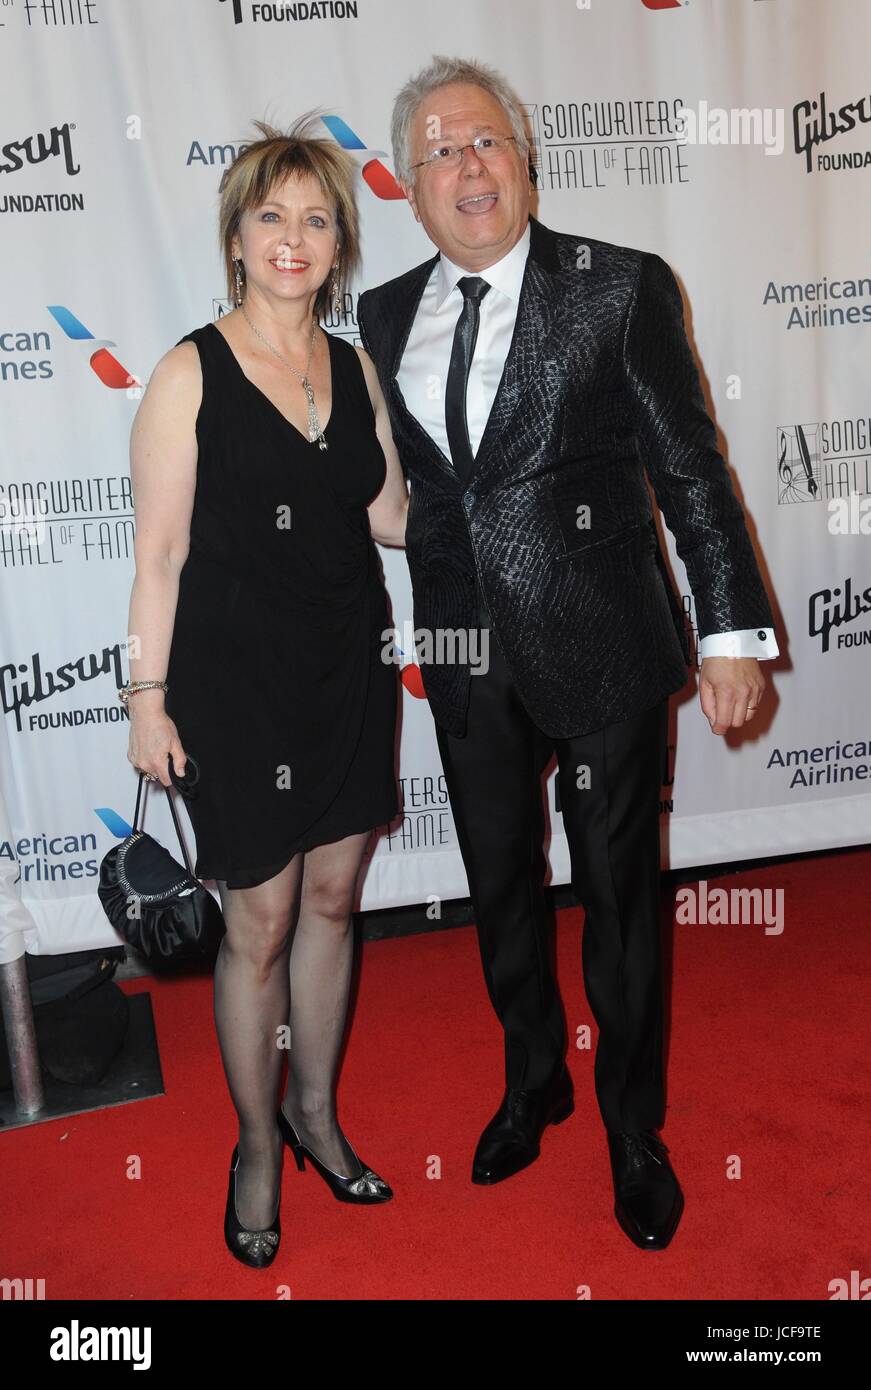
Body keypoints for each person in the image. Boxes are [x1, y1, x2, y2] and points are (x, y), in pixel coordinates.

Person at [357, 56, 779, 1251]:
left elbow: (689, 467)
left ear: (524, 156)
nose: (464, 166)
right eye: (437, 150)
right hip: (458, 648)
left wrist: (731, 630)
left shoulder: (617, 288)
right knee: (498, 888)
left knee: (619, 901)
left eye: (483, 141)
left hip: (604, 641)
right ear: (408, 184)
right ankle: (532, 1076)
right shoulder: (383, 313)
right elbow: (409, 494)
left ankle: (632, 1129)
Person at [123, 114, 409, 1268]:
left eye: (316, 218)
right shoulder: (188, 369)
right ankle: (253, 1143)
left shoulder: (358, 367)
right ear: (237, 237)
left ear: (339, 243)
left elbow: (388, 514)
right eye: (271, 216)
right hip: (235, 682)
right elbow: (157, 556)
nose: (294, 238)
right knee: (261, 919)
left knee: (333, 904)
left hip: (350, 664)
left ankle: (315, 1114)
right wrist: (147, 697)